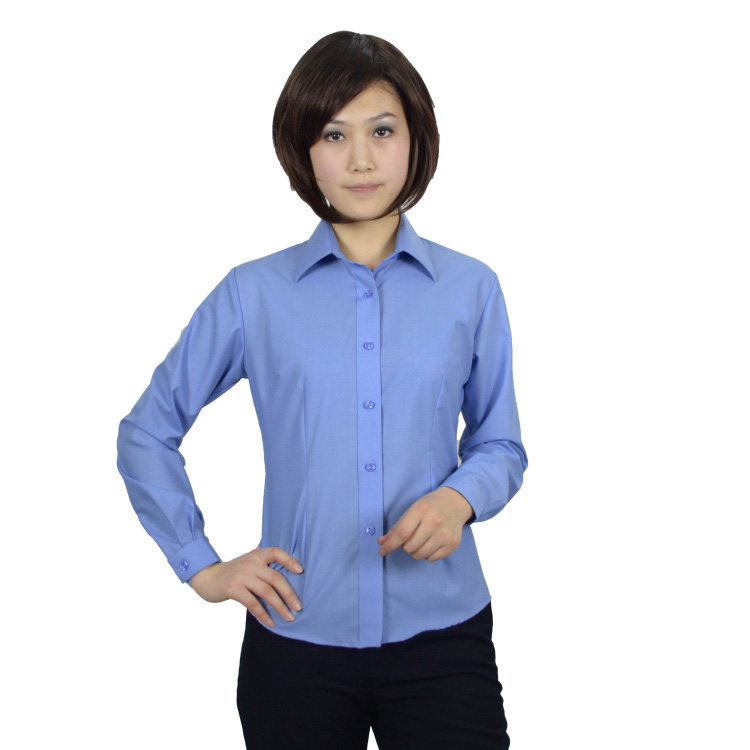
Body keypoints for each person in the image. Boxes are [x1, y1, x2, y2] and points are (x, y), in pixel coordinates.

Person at [116, 30, 528, 749]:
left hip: (444, 639)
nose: (361, 159)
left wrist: (460, 498)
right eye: (335, 134)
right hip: (295, 639)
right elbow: (146, 432)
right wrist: (202, 567)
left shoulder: (471, 288)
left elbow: (501, 444)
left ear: (416, 139)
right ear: (303, 149)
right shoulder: (252, 294)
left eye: (382, 130)